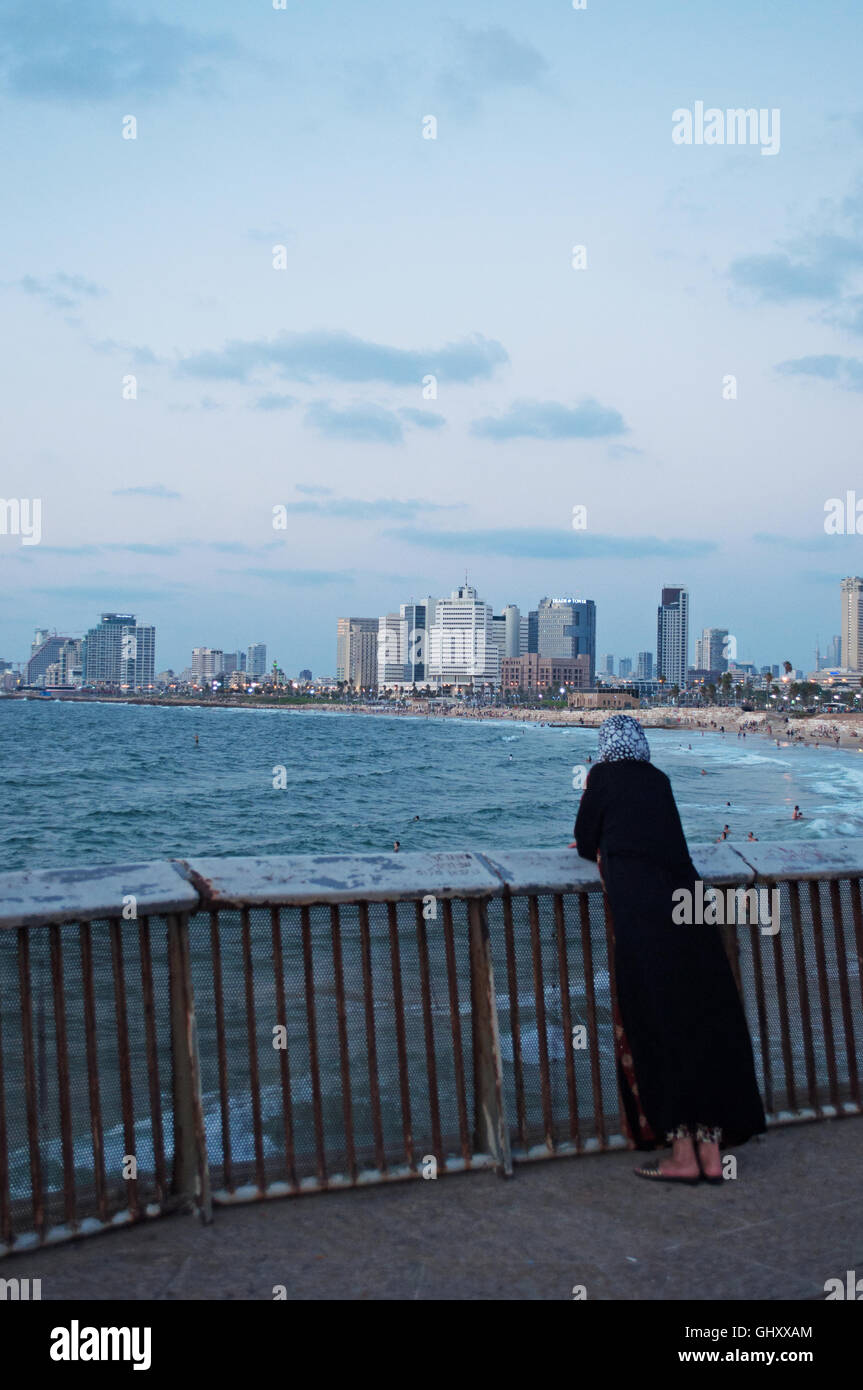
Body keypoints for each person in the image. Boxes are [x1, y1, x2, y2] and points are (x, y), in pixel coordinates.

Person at [571, 715, 765, 1183]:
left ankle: (681, 1155)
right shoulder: (658, 780)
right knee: (704, 1022)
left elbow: (585, 840)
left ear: (605, 747)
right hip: (693, 910)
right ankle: (713, 1154)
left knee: (661, 1028)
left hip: (646, 920)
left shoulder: (603, 777)